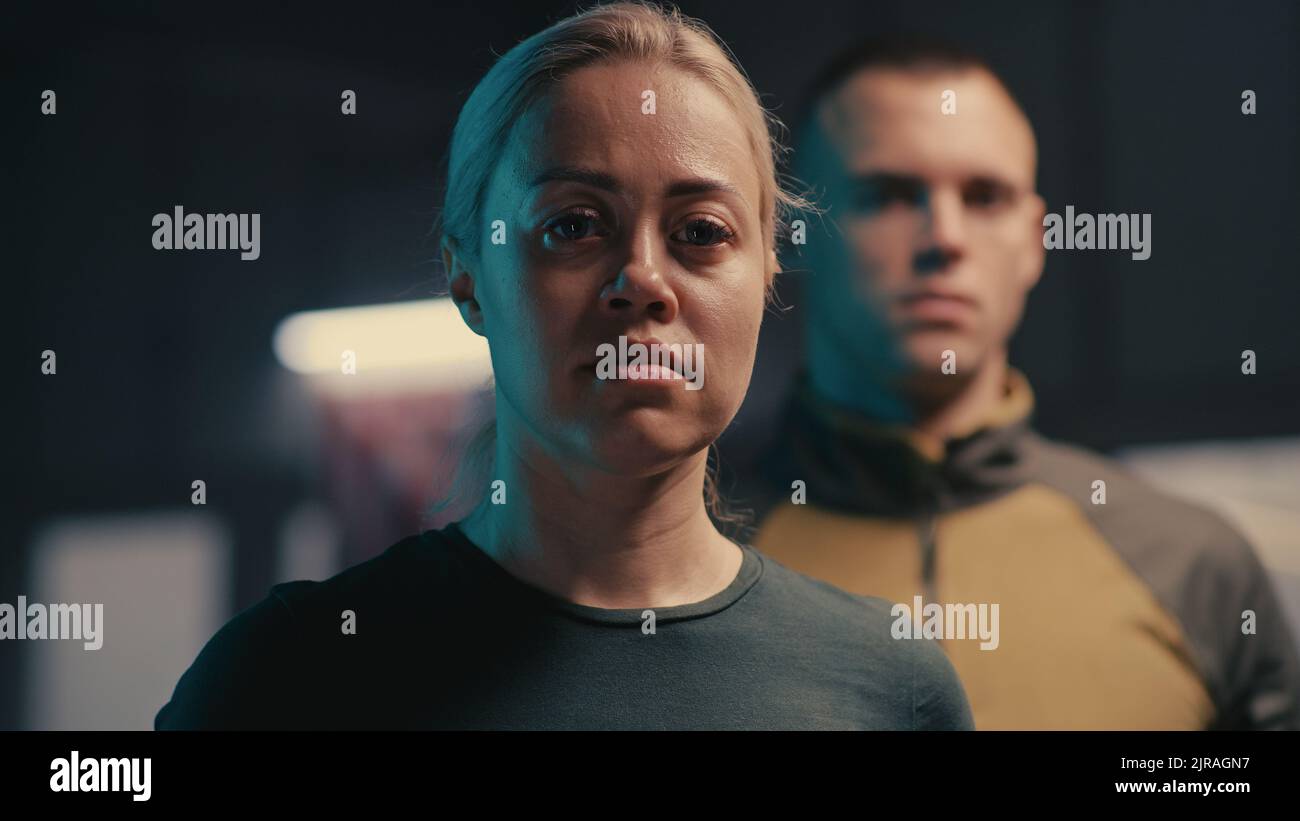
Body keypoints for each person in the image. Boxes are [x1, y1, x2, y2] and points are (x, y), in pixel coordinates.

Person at [155, 3, 972, 731]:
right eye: (576, 224)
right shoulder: (286, 680)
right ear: (468, 278)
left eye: (701, 232)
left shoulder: (890, 691)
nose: (644, 280)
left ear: (764, 277)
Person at [742, 37, 1300, 729]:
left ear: (1034, 241)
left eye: (984, 196)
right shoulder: (674, 556)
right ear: (791, 236)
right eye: (886, 194)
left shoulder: (1194, 566)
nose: (943, 237)